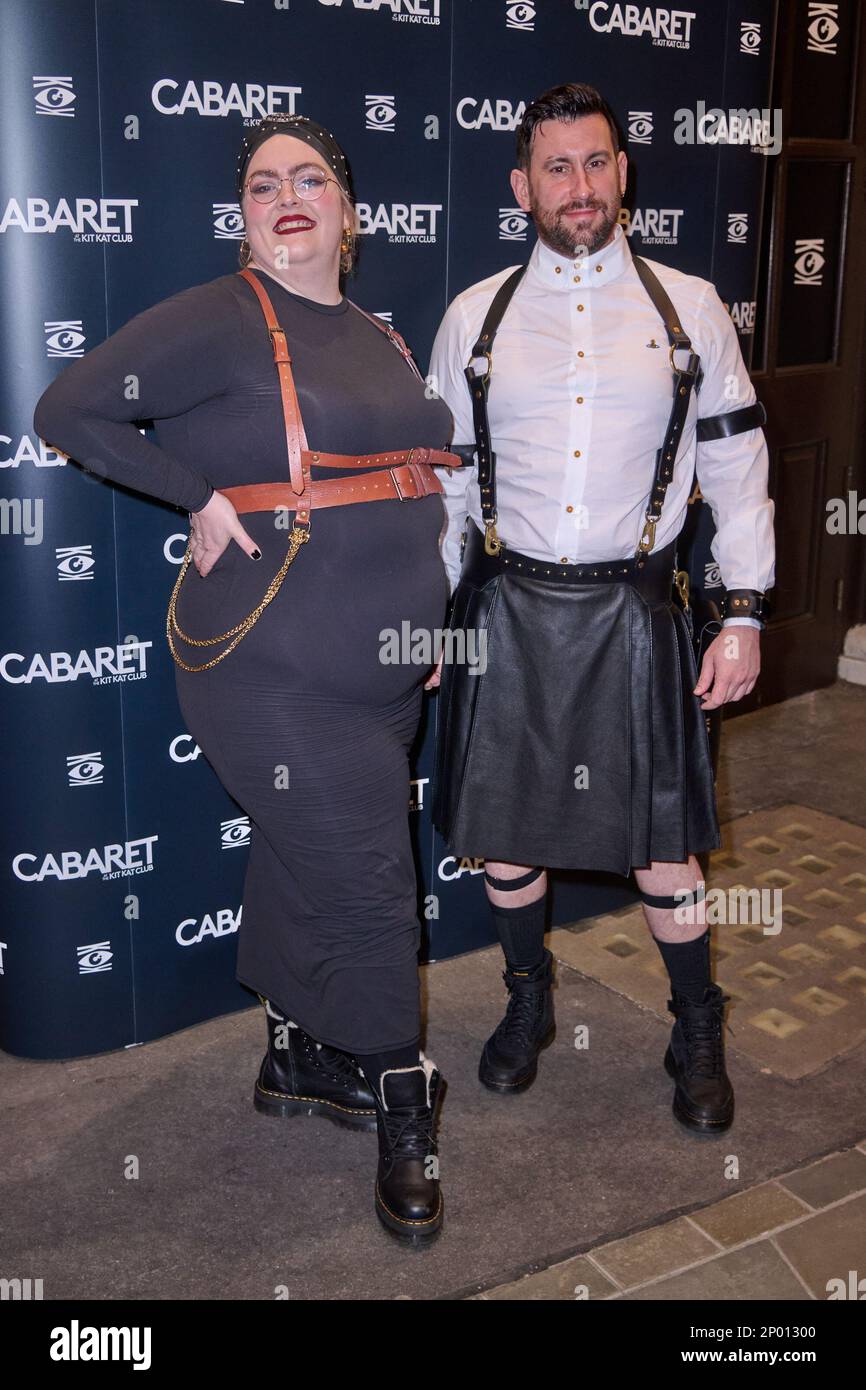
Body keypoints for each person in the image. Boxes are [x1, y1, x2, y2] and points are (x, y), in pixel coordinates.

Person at [33, 113, 455, 1243]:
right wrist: (198, 497)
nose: (287, 195)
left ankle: (299, 1055)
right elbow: (66, 408)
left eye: (309, 177)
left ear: (348, 212)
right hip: (271, 672)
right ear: (244, 217)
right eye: (263, 183)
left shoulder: (374, 331)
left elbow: (407, 485)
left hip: (383, 670)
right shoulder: (223, 317)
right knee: (372, 889)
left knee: (302, 854)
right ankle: (401, 1104)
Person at [426, 84, 775, 1133]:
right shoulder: (473, 316)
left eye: (593, 162)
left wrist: (744, 611)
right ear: (520, 185)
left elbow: (735, 461)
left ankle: (693, 1021)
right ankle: (527, 999)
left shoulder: (689, 306)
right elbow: (447, 483)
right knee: (504, 843)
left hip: (636, 613)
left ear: (620, 172)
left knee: (664, 849)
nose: (575, 185)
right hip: (504, 612)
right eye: (554, 167)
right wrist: (433, 615)